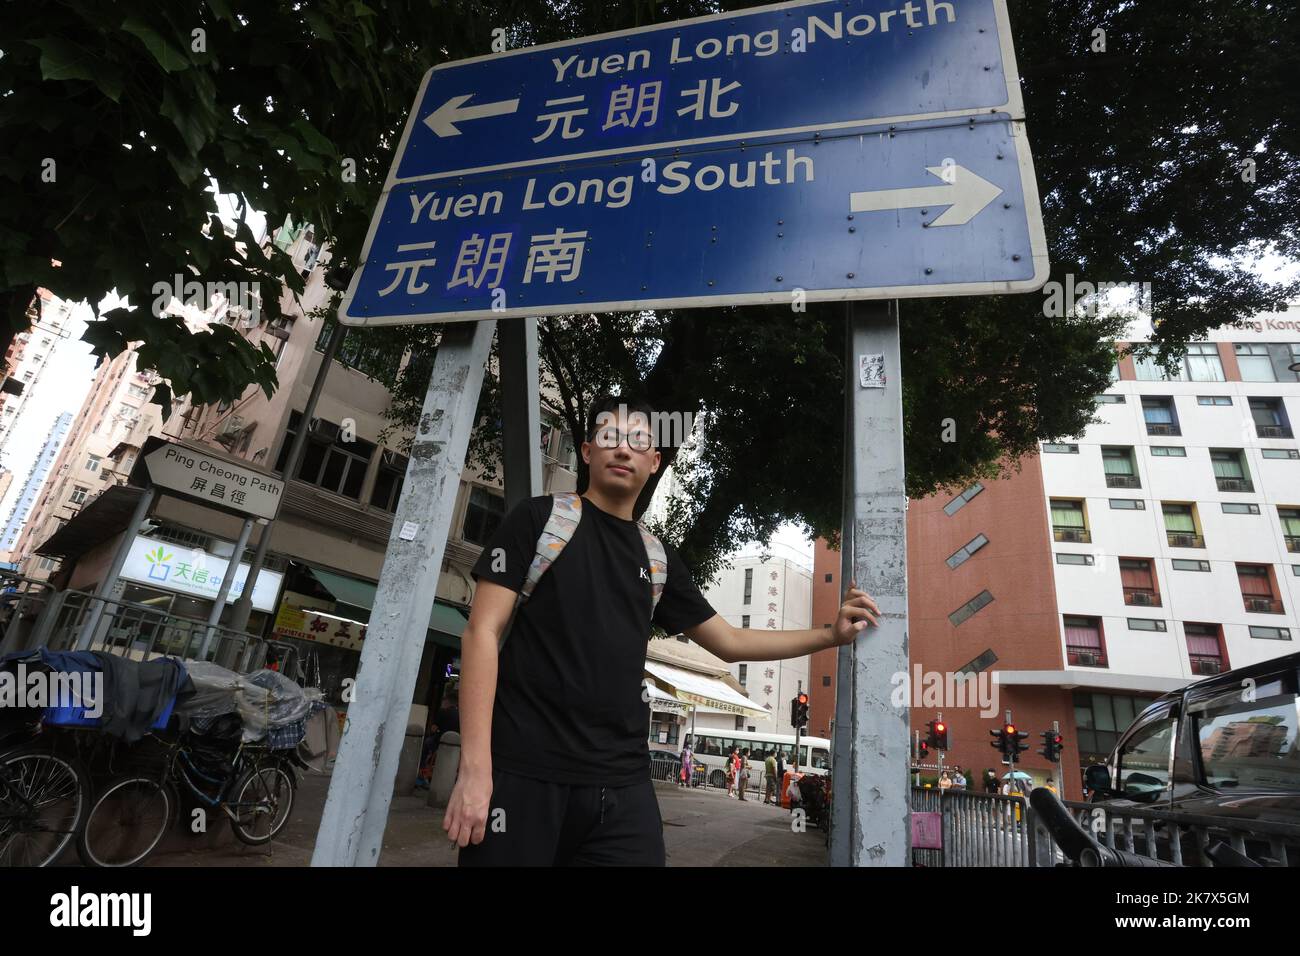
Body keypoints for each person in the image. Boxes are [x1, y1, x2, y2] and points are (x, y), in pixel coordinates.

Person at [443, 395, 884, 865]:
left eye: (638, 441)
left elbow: (730, 641)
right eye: (610, 437)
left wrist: (830, 635)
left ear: (654, 462)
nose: (622, 449)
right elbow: (482, 634)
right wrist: (475, 767)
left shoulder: (656, 558)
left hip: (622, 789)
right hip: (523, 774)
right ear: (588, 450)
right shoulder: (538, 520)